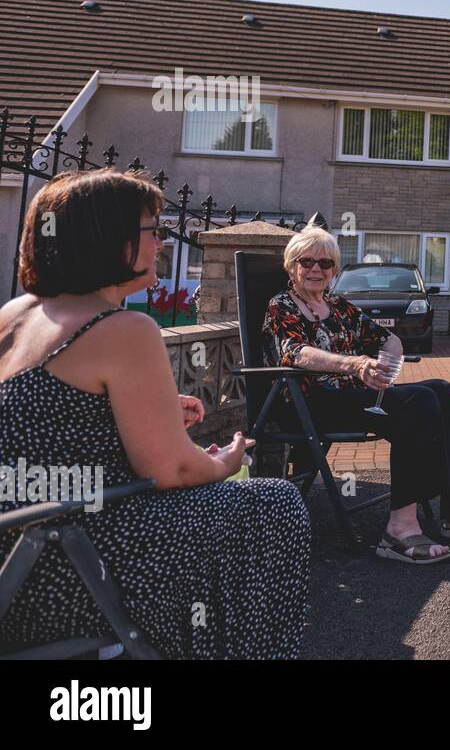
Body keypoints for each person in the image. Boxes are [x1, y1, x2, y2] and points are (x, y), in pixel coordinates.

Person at [0, 169, 309, 658]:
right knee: (273, 502)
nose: (163, 243)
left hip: (16, 557)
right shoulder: (121, 328)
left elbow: (45, 433)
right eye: (154, 230)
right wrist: (226, 462)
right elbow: (174, 470)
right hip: (69, 572)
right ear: (107, 237)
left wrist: (155, 415)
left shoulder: (14, 315)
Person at [262, 225, 450, 564]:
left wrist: (385, 370)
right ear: (292, 266)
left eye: (325, 263)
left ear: (334, 269)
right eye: (307, 261)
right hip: (309, 402)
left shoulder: (338, 306)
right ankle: (399, 529)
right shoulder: (282, 306)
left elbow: (386, 338)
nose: (316, 269)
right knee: (418, 403)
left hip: (352, 398)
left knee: (444, 391)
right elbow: (297, 353)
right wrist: (354, 364)